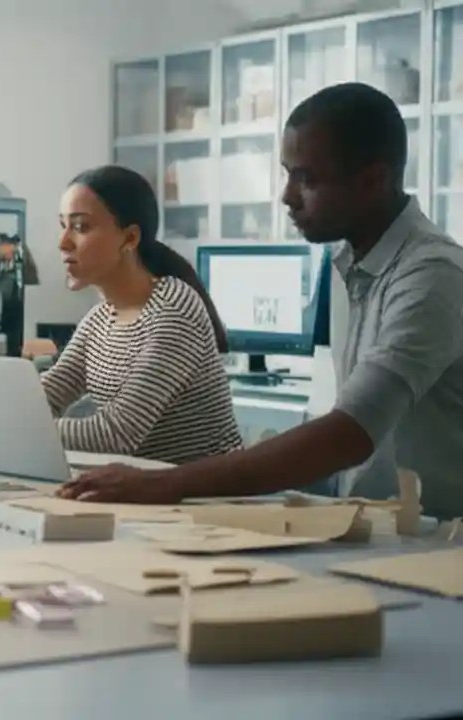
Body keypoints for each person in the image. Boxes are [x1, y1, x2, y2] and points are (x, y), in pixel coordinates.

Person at [61, 83, 463, 520]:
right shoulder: (349, 263)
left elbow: (350, 433)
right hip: (370, 524)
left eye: (306, 178)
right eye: (287, 173)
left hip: (436, 541)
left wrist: (167, 483)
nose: (288, 196)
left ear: (372, 181)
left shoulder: (431, 275)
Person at [0, 166, 241, 465]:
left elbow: (116, 434)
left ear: (130, 238)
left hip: (209, 500)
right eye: (63, 226)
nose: (63, 242)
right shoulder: (100, 319)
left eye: (81, 227)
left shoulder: (173, 308)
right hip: (149, 495)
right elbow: (43, 397)